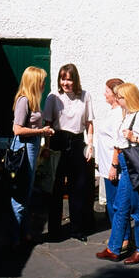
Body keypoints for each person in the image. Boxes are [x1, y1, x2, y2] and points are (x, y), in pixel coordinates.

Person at [95, 81, 139, 264]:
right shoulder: (128, 115)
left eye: (121, 97)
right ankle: (114, 248)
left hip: (134, 167)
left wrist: (135, 138)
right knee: (119, 207)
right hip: (125, 165)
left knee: (138, 209)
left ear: (128, 98)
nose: (118, 99)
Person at [42, 63, 97, 239]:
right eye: (62, 78)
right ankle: (55, 231)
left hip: (77, 142)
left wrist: (90, 144)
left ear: (75, 80)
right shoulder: (53, 97)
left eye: (69, 79)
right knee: (56, 188)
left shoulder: (85, 96)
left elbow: (89, 122)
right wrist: (47, 147)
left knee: (77, 187)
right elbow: (48, 124)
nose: (65, 83)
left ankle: (77, 229)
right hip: (58, 141)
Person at [8, 66, 54, 245]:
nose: (44, 83)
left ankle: (24, 233)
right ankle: (15, 239)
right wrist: (41, 131)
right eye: (41, 80)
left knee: (26, 193)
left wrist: (41, 133)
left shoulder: (33, 101)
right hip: (24, 149)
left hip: (31, 148)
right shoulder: (24, 101)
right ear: (34, 82)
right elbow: (17, 129)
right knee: (20, 195)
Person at [93, 77, 125, 229]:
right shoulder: (112, 111)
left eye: (106, 91)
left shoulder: (119, 114)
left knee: (115, 204)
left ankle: (120, 240)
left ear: (114, 93)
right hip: (106, 166)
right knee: (112, 204)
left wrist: (114, 165)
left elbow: (118, 144)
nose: (104, 94)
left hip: (113, 168)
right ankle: (118, 239)